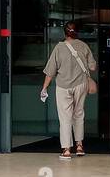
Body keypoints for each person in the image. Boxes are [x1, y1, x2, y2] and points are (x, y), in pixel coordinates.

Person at [40, 21, 98, 160]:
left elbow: (50, 71)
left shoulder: (58, 48)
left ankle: (66, 150)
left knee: (65, 118)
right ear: (76, 32)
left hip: (63, 86)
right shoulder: (83, 46)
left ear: (64, 33)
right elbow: (93, 67)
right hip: (80, 84)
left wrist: (44, 87)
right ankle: (79, 146)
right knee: (78, 114)